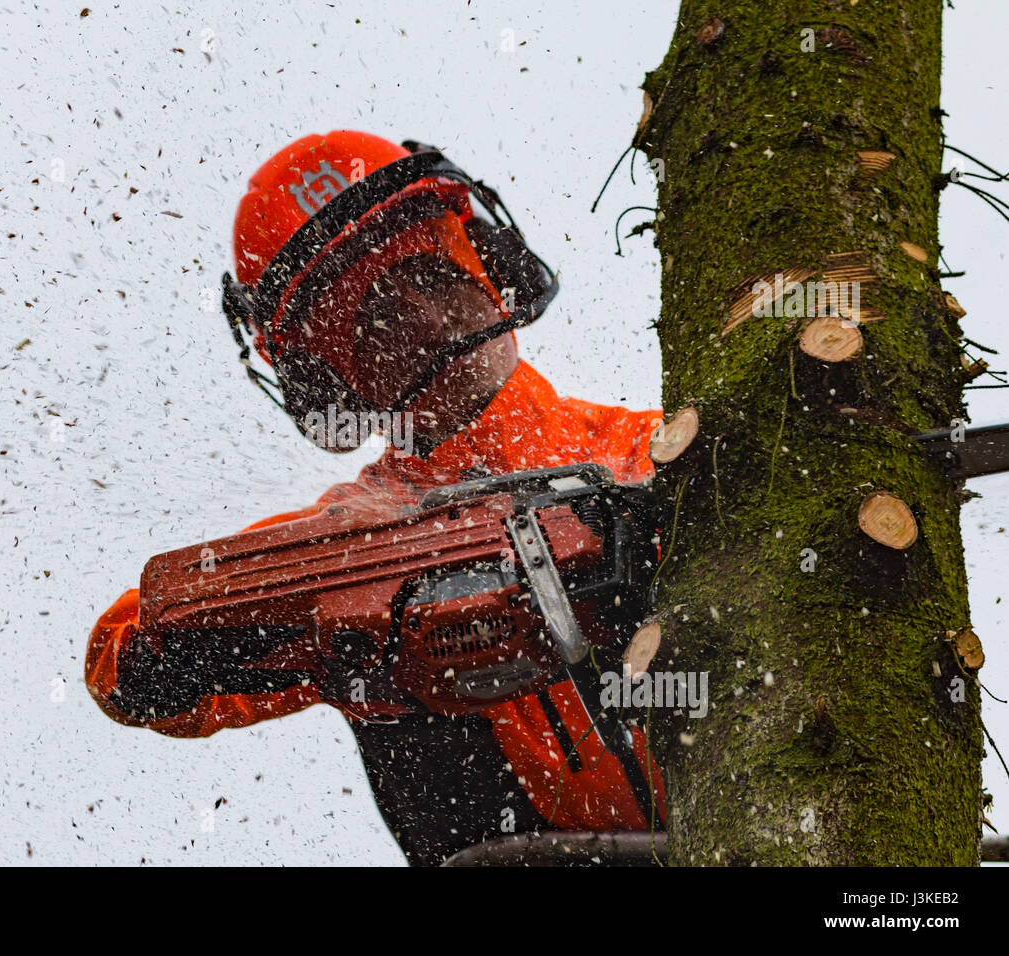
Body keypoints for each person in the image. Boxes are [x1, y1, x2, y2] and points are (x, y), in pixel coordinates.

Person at [86, 131, 666, 866]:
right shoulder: (352, 539)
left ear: (483, 259)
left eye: (432, 278)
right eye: (377, 320)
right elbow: (121, 650)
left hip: (739, 826)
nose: (424, 321)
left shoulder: (645, 450)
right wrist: (220, 642)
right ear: (325, 381)